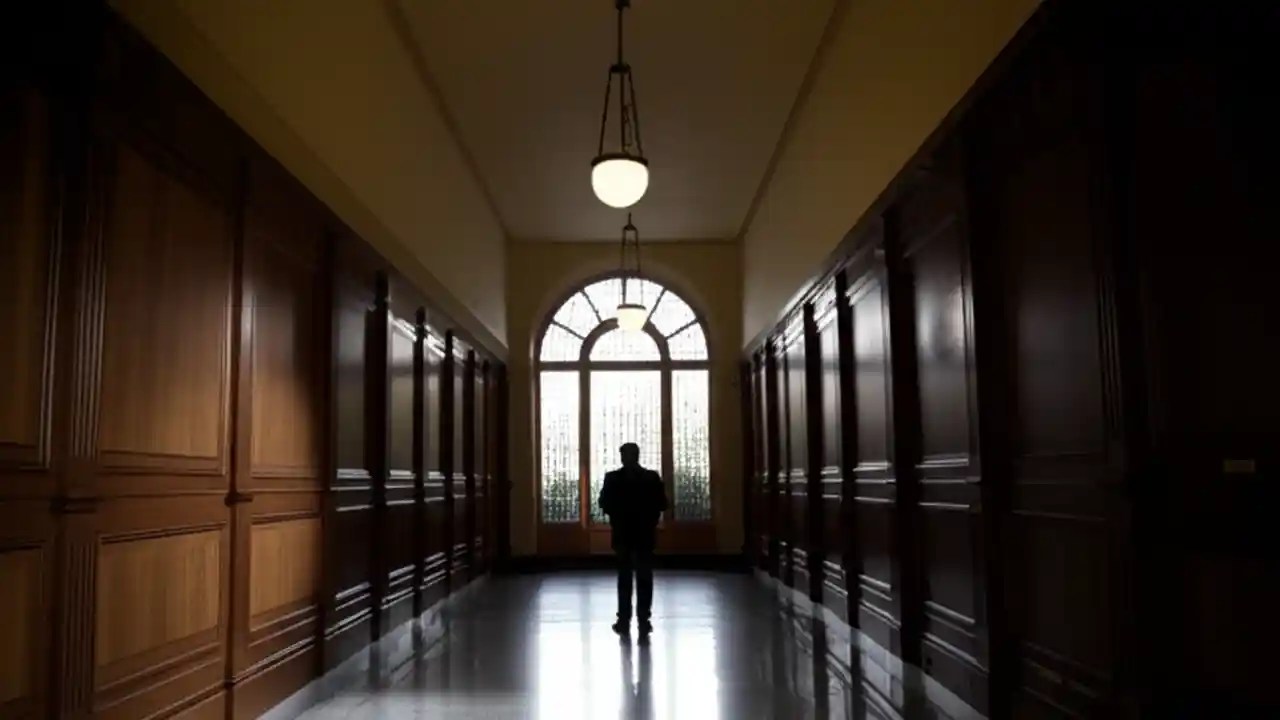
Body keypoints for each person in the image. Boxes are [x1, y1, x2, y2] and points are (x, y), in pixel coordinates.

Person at [598, 442, 667, 636]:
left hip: (623, 534)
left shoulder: (612, 479)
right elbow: (662, 504)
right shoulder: (651, 478)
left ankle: (624, 619)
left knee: (624, 578)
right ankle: (644, 620)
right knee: (644, 577)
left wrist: (618, 516)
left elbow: (604, 503)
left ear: (622, 457)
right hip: (644, 534)